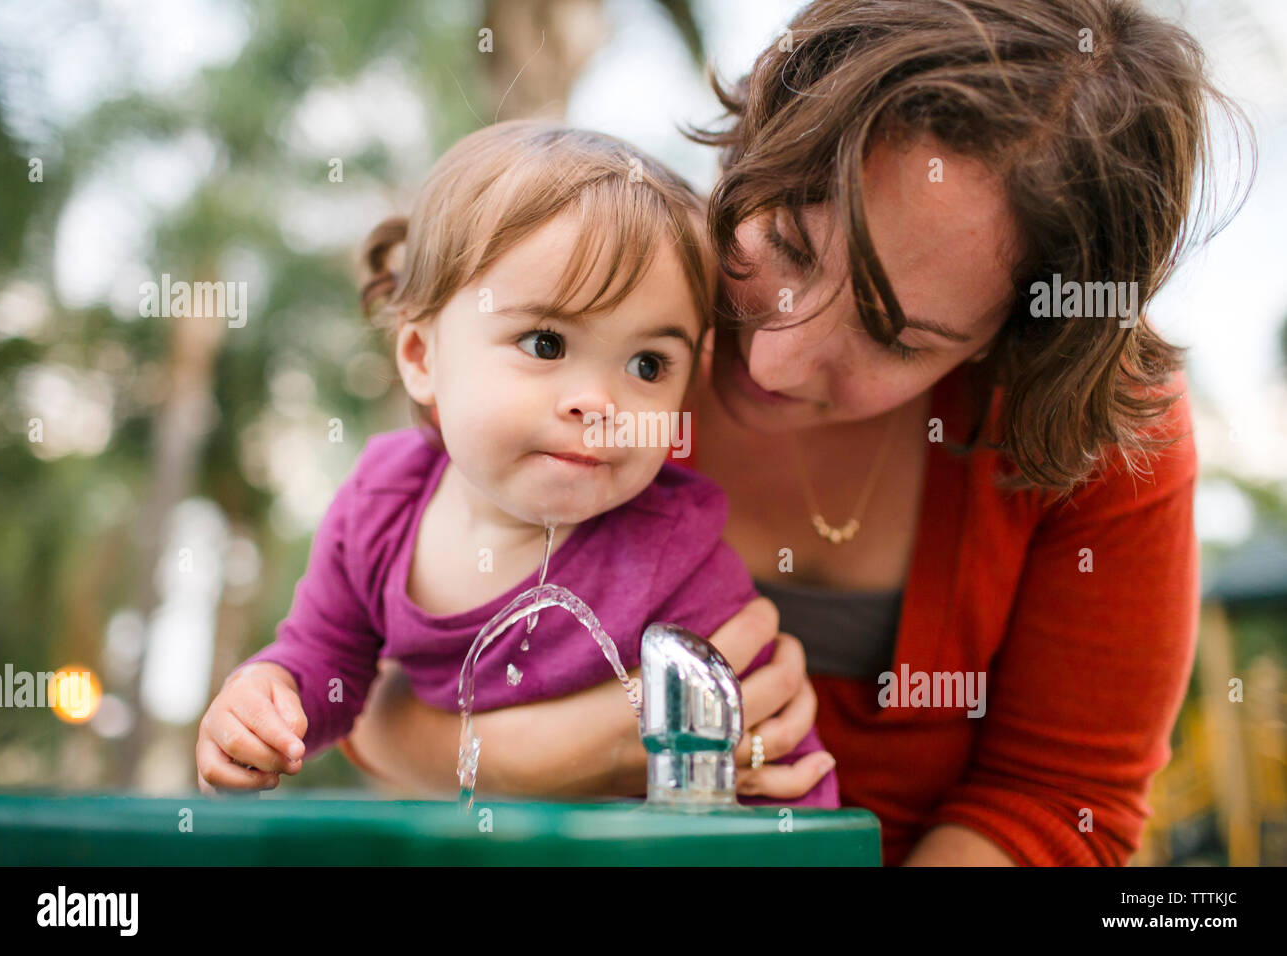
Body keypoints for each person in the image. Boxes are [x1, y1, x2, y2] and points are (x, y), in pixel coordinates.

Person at [341, 0, 1253, 865]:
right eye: (785, 241)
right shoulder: (592, 305)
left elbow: (1058, 804)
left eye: (894, 336)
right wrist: (557, 754)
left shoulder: (1098, 441)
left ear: (1016, 342)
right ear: (764, 136)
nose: (770, 359)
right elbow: (367, 691)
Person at [194, 120, 842, 807]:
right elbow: (324, 663)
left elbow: (780, 756)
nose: (597, 402)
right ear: (420, 357)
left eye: (648, 364)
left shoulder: (672, 553)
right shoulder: (380, 505)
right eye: (544, 343)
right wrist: (265, 698)